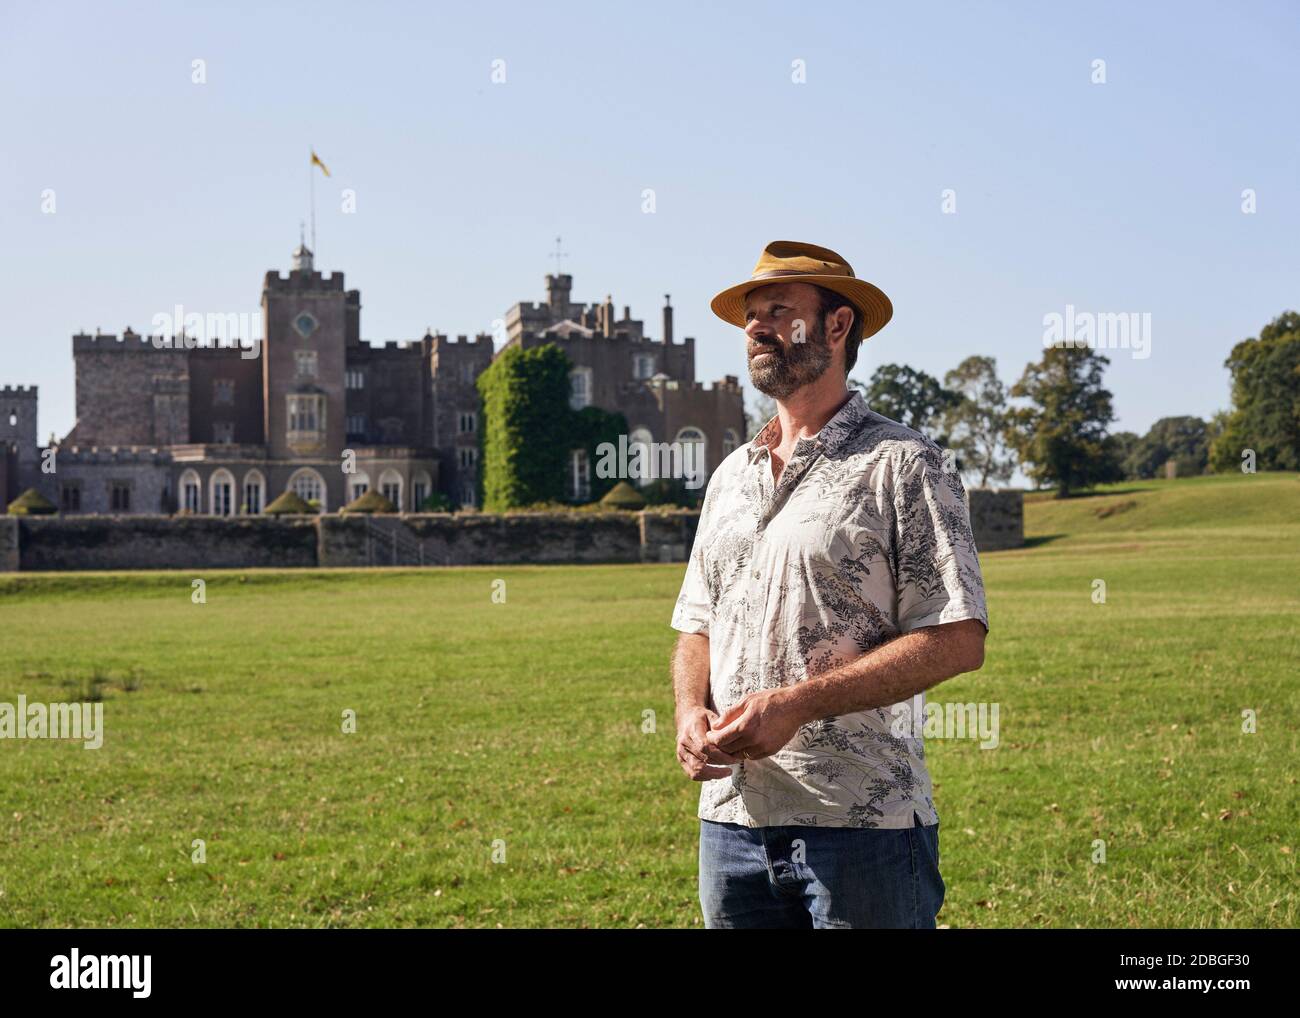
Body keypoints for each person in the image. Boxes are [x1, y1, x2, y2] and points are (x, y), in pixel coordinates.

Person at [670, 240, 989, 928]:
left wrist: (797, 704)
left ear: (837, 326)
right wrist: (688, 714)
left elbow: (958, 639)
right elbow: (697, 623)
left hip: (864, 826)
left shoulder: (904, 465)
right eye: (750, 315)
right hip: (731, 826)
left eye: (777, 311)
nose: (755, 328)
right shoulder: (729, 478)